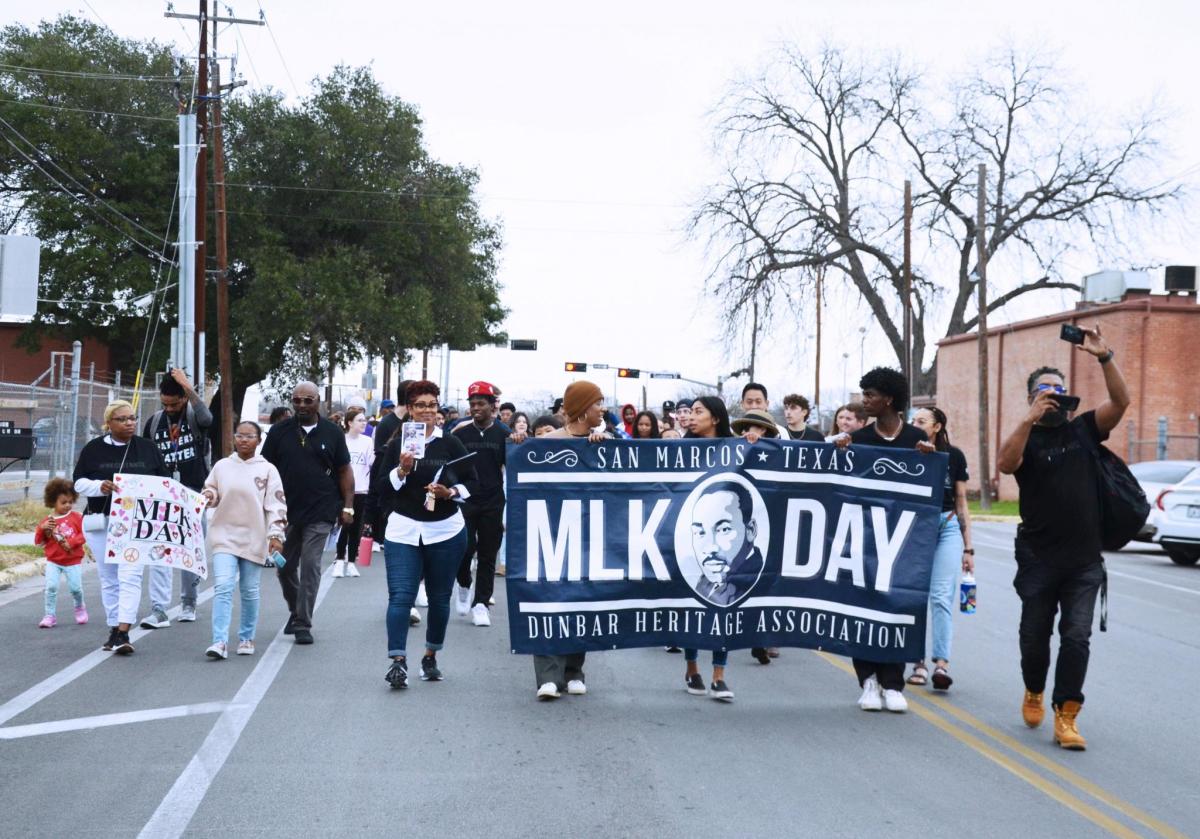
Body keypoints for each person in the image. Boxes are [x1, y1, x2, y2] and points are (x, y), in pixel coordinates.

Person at [997, 325, 1129, 751]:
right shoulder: (1027, 436)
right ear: (1032, 397)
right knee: (1034, 637)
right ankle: (1034, 688)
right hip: (1037, 557)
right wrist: (1026, 420)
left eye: (1057, 388)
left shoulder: (1085, 429)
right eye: (1042, 389)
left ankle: (1066, 714)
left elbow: (1122, 401)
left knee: (1076, 637)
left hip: (1084, 561)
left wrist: (1104, 357)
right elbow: (1005, 464)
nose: (1051, 393)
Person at [833, 367, 934, 713]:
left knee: (898, 607)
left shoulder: (915, 440)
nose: (865, 402)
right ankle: (868, 681)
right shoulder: (858, 441)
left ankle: (893, 682)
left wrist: (929, 458)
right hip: (863, 539)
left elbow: (937, 484)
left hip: (903, 542)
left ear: (888, 398)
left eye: (870, 395)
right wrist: (840, 453)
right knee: (862, 606)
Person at [374, 380, 477, 690]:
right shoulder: (398, 445)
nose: (427, 411)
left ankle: (430, 656)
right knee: (401, 596)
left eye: (432, 405)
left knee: (439, 597)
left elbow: (473, 483)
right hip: (404, 530)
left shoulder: (451, 444)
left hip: (445, 530)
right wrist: (401, 471)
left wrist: (451, 491)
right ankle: (398, 663)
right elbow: (381, 487)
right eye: (420, 405)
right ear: (410, 410)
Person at [530, 380, 609, 701]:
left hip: (589, 535)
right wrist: (520, 444)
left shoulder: (604, 441)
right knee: (549, 601)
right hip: (550, 533)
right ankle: (547, 676)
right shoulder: (548, 442)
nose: (602, 409)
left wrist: (604, 448)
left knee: (582, 601)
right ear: (582, 408)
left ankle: (574, 670)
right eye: (598, 403)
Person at [261, 381, 353, 645]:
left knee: (311, 565)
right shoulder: (279, 432)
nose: (302, 405)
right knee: (284, 567)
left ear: (318, 402)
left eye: (308, 400)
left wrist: (348, 505)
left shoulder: (333, 433)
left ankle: (303, 622)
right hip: (285, 512)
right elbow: (265, 470)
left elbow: (344, 470)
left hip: (322, 509)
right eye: (297, 400)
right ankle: (295, 610)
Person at [73, 400, 169, 654]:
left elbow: (165, 483)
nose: (129, 423)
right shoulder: (93, 449)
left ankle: (124, 632)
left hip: (136, 524)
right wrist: (99, 486)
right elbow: (78, 483)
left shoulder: (148, 449)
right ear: (109, 423)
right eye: (122, 419)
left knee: (131, 575)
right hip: (100, 520)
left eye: (132, 418)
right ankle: (113, 627)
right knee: (109, 578)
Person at [200, 421, 287, 659]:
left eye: (249, 436)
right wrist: (208, 495)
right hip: (224, 535)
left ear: (259, 440)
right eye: (239, 435)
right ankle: (219, 641)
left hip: (254, 536)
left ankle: (246, 637)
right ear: (234, 439)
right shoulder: (222, 466)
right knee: (224, 586)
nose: (244, 440)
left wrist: (276, 535)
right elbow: (212, 490)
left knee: (249, 590)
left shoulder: (268, 469)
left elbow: (276, 505)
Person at [905, 407, 974, 691]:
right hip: (916, 528)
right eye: (913, 421)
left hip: (947, 526)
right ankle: (917, 662)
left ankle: (941, 664)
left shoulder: (954, 456)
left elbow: (961, 501)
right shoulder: (906, 452)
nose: (915, 425)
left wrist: (968, 548)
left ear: (937, 427)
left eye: (921, 421)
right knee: (915, 597)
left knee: (942, 596)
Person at [140, 368, 211, 628]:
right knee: (161, 548)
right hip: (163, 494)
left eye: (174, 403)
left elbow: (208, 418)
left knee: (190, 548)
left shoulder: (194, 416)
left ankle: (189, 602)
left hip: (193, 491)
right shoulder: (155, 421)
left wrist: (187, 386)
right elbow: (146, 456)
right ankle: (159, 608)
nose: (169, 408)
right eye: (164, 403)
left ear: (183, 398)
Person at [681, 395, 736, 702]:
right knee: (691, 606)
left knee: (724, 603)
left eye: (698, 412)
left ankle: (719, 675)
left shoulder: (736, 447)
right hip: (692, 538)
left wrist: (753, 440)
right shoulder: (681, 449)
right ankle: (692, 668)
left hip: (724, 540)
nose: (691, 416)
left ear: (715, 418)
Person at [452, 381, 510, 627]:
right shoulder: (460, 433)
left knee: (488, 554)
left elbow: (514, 468)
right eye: (472, 404)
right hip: (465, 500)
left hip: (493, 501)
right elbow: (451, 466)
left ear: (492, 405)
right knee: (465, 549)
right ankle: (464, 583)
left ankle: (481, 604)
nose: (476, 408)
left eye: (481, 404)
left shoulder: (504, 434)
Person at [34, 478, 87, 628]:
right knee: (51, 588)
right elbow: (38, 542)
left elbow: (84, 535)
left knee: (76, 589)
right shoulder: (48, 521)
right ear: (52, 502)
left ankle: (79, 607)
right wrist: (42, 529)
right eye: (63, 502)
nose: (68, 505)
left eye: (70, 502)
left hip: (73, 561)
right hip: (54, 561)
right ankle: (49, 615)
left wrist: (72, 542)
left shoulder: (77, 517)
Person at [334, 407, 374, 578]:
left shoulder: (367, 441)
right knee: (344, 524)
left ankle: (351, 562)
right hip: (343, 490)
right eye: (359, 420)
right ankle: (339, 560)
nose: (363, 423)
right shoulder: (341, 440)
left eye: (364, 420)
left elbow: (371, 462)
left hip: (362, 489)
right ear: (349, 423)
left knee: (356, 527)